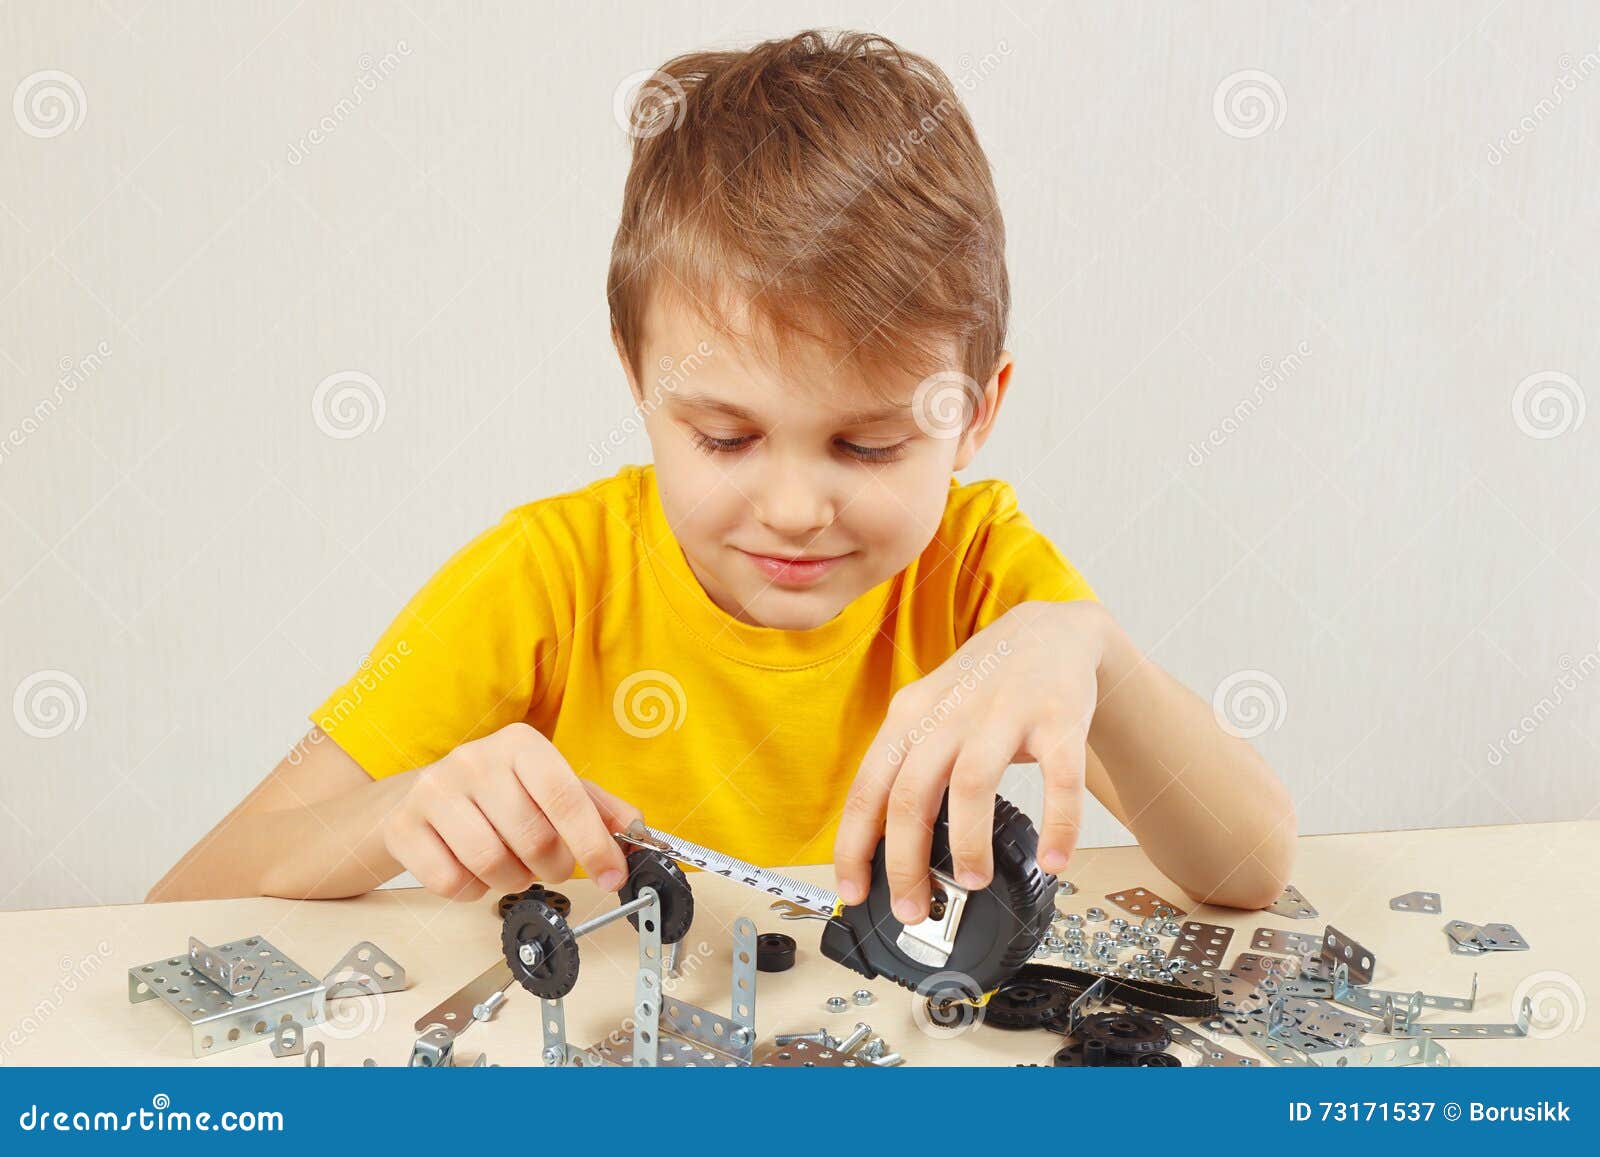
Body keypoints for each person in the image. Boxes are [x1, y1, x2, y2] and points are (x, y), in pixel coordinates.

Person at [149, 30, 1295, 923]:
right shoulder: (546, 582)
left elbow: (1248, 866)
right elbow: (181, 902)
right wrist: (396, 809)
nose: (793, 509)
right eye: (725, 438)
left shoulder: (984, 576)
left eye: (868, 446)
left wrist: (1091, 647)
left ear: (975, 413)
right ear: (640, 379)